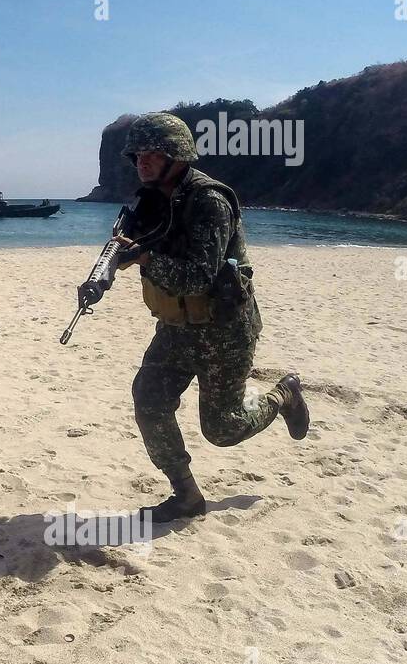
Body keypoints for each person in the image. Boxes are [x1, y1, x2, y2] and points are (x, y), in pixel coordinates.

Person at [115, 112, 310, 522]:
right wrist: (109, 268)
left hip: (224, 330)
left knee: (223, 430)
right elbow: (137, 245)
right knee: (149, 400)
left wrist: (144, 258)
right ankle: (186, 496)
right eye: (137, 155)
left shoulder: (209, 202)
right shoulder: (150, 200)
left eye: (152, 154)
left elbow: (198, 276)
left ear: (177, 156)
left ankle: (284, 395)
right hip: (175, 328)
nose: (142, 162)